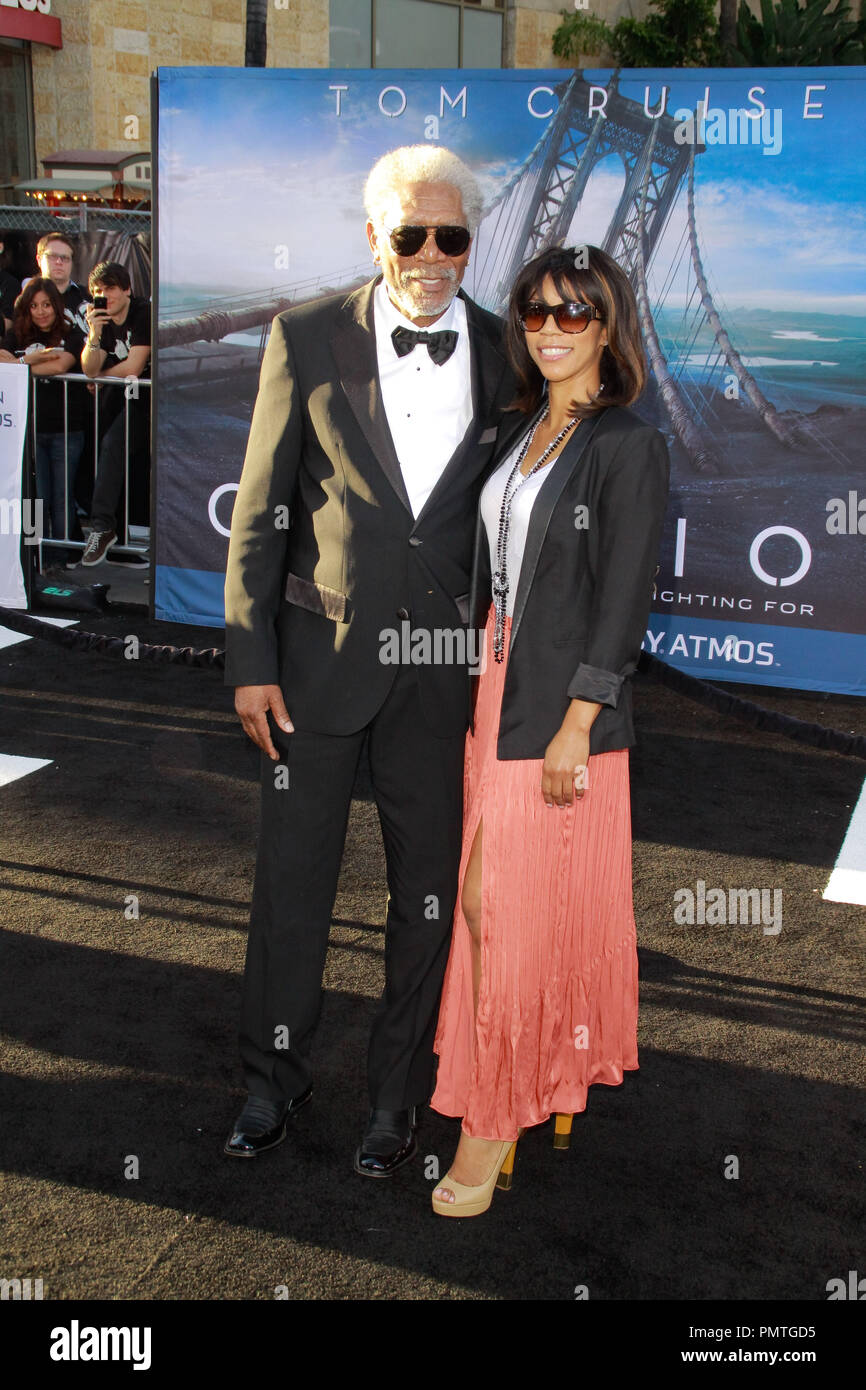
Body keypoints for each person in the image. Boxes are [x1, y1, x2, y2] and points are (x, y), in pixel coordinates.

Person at [223, 144, 515, 1176]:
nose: (432, 255)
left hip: (441, 671)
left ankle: (394, 1104)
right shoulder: (302, 337)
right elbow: (258, 511)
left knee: (425, 897)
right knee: (291, 886)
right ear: (372, 238)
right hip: (314, 663)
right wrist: (248, 659)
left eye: (452, 237)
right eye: (410, 236)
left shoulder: (506, 348)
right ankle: (270, 1080)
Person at [429, 244, 670, 1217]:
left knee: (499, 903)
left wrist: (579, 720)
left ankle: (495, 1113)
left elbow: (622, 599)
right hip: (494, 687)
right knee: (490, 902)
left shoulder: (625, 443)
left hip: (559, 709)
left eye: (573, 312)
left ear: (607, 326)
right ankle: (535, 1072)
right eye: (534, 311)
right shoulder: (522, 426)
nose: (550, 328)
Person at [0, 277, 87, 570]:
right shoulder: (18, 334)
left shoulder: (71, 332)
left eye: (47, 304)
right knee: (34, 498)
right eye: (35, 305)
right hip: (29, 429)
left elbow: (62, 364)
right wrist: (31, 360)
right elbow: (2, 362)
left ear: (56, 305)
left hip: (66, 429)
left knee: (62, 498)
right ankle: (32, 556)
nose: (41, 311)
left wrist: (21, 364)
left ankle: (58, 560)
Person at [80, 261, 151, 565]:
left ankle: (103, 526)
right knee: (108, 454)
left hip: (151, 399)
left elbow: (134, 366)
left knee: (115, 449)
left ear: (127, 290)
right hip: (124, 397)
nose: (104, 296)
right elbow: (88, 368)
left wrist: (103, 375)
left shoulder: (143, 312)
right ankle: (109, 531)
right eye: (98, 290)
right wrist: (94, 335)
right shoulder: (100, 320)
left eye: (110, 288)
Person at [33, 233, 91, 335]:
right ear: (39, 260)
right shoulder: (27, 298)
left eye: (65, 258)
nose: (59, 262)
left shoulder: (88, 296)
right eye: (53, 256)